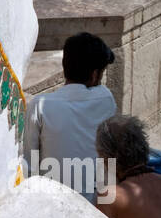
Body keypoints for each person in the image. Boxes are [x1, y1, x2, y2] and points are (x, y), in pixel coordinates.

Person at [23, 32, 116, 201]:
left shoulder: (40, 105)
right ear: (95, 75)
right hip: (96, 203)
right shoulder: (106, 99)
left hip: (52, 202)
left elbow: (29, 164)